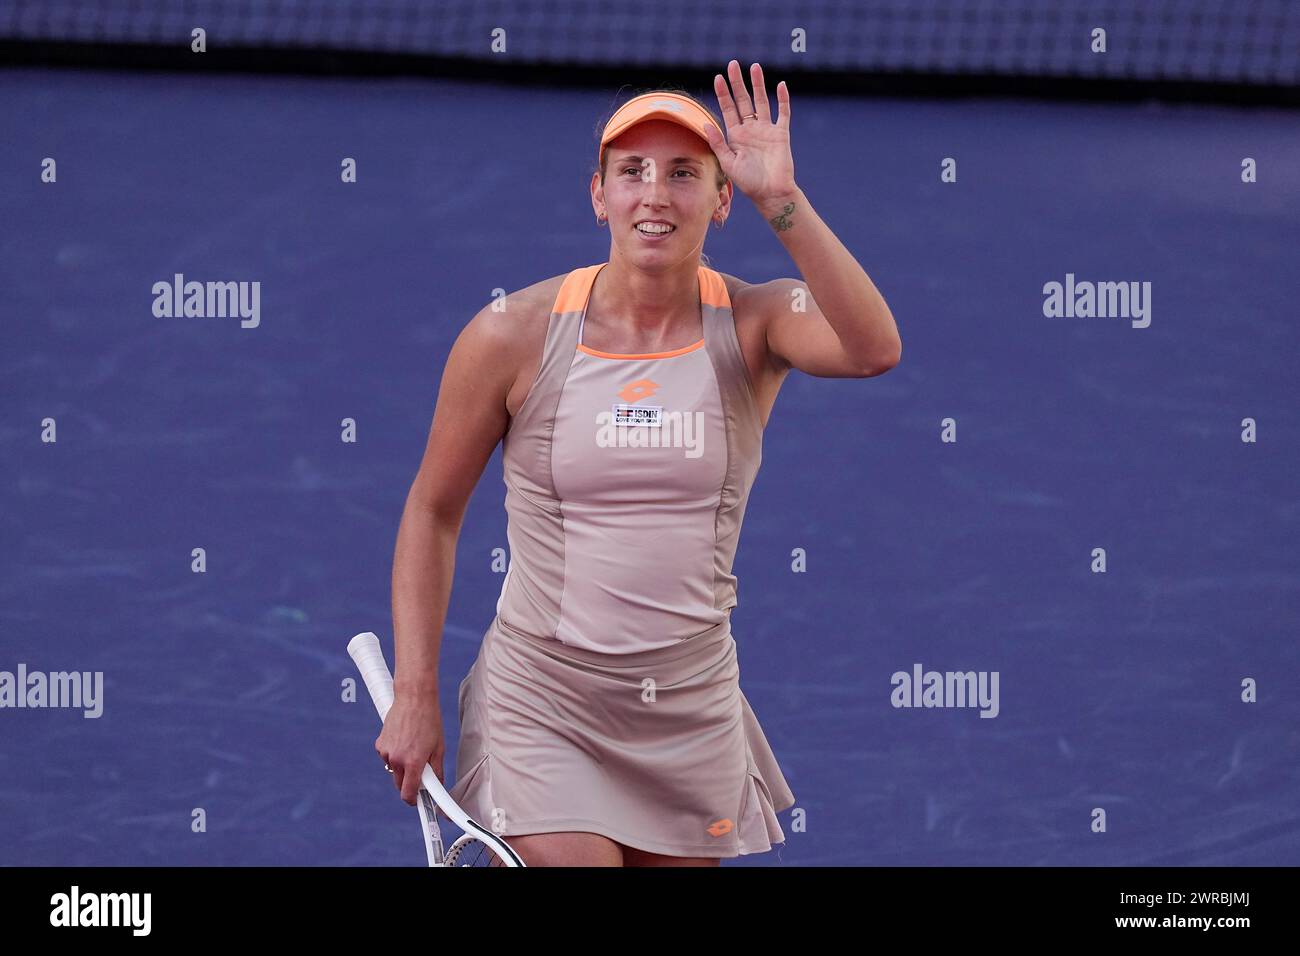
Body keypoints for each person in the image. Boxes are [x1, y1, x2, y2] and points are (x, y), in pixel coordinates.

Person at [377, 60, 901, 866]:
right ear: (600, 195)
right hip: (542, 699)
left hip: (690, 708)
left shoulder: (759, 322)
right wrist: (415, 693)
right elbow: (433, 510)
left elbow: (873, 349)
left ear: (721, 200)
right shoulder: (509, 334)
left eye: (685, 173)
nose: (655, 193)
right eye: (633, 171)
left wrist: (782, 203)